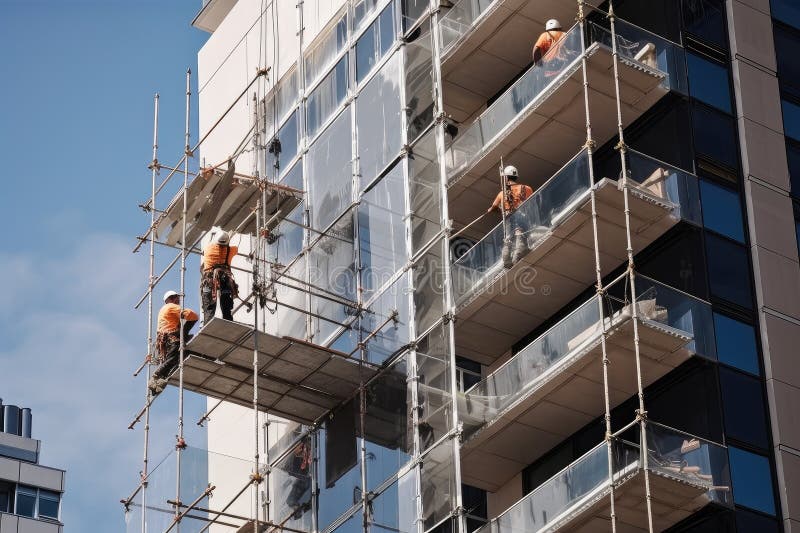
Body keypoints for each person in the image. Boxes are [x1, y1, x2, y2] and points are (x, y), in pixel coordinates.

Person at [149, 291, 199, 395]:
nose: (179, 300)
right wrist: (183, 332)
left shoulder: (165, 309)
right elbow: (192, 315)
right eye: (177, 298)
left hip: (166, 339)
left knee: (175, 360)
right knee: (172, 359)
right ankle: (156, 376)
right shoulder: (171, 306)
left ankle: (158, 384)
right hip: (171, 337)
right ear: (172, 298)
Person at [487, 165, 534, 267]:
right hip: (522, 215)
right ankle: (519, 252)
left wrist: (495, 209)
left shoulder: (502, 193)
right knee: (519, 232)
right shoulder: (527, 188)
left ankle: (507, 260)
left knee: (508, 238)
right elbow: (531, 203)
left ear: (506, 178)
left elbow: (492, 209)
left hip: (508, 218)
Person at [201, 230, 239, 324]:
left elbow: (204, 252)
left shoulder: (208, 249)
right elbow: (236, 249)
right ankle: (228, 322)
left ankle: (207, 325)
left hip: (209, 279)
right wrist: (229, 239)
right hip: (224, 279)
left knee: (209, 306)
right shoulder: (230, 250)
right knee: (226, 302)